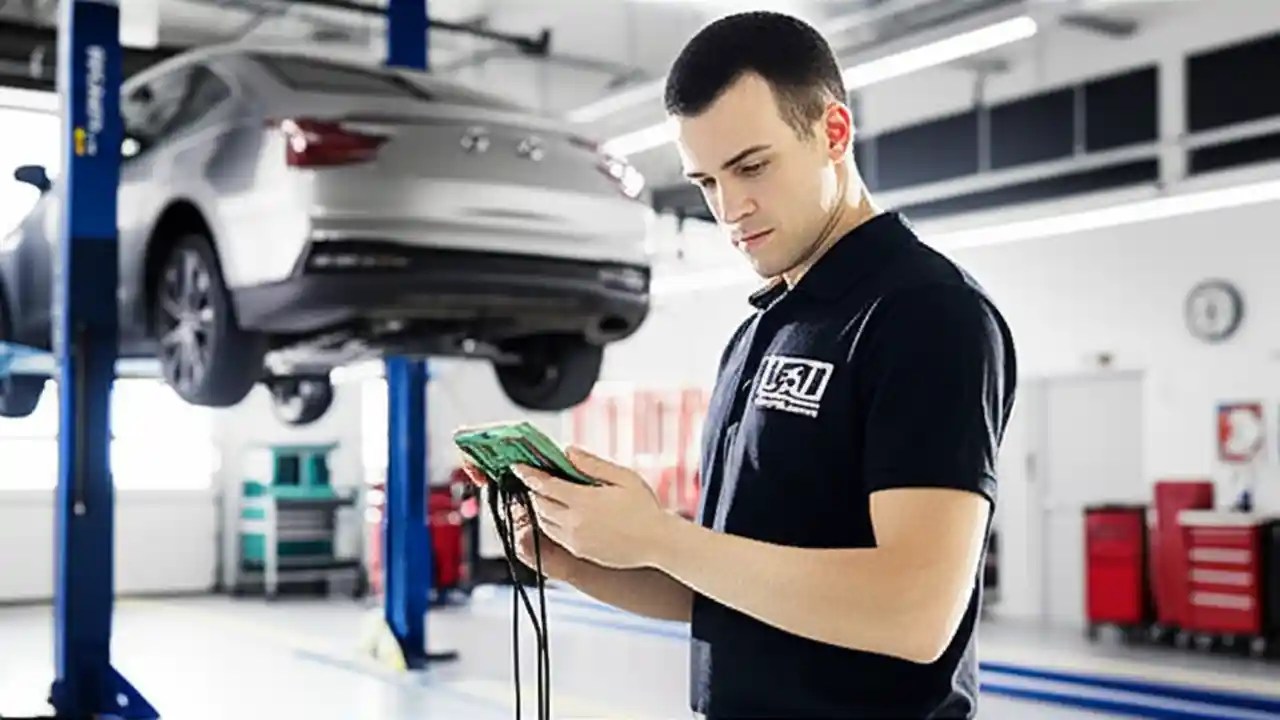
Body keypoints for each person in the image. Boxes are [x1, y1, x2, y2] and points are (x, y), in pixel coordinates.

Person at [459, 10, 1017, 719]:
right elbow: (720, 588)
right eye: (706, 182)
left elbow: (914, 611)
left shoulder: (926, 315)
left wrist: (662, 535)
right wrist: (577, 555)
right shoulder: (761, 335)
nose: (731, 209)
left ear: (833, 132)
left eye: (752, 167)